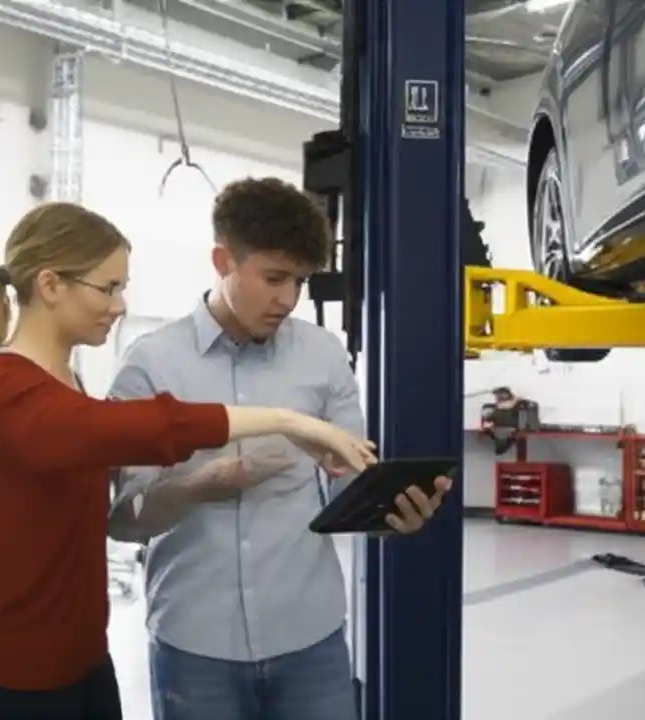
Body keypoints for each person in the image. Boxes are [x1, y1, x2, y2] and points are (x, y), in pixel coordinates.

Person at [0, 201, 377, 720]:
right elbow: (147, 432)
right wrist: (287, 420)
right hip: (13, 676)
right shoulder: (5, 391)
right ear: (51, 285)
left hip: (80, 662)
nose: (120, 305)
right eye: (109, 288)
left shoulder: (67, 384)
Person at [107, 177, 453, 720]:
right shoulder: (151, 364)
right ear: (223, 260)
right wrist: (204, 485)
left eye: (300, 281)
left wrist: (391, 515)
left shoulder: (323, 356)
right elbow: (124, 520)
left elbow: (352, 484)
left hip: (309, 639)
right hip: (195, 643)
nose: (288, 300)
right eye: (273, 278)